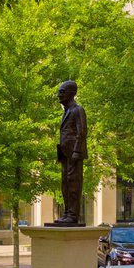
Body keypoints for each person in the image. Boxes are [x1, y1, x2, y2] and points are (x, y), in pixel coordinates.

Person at [54, 80, 87, 225]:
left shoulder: (77, 110)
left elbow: (82, 132)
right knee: (65, 184)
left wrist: (76, 151)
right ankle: (67, 212)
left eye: (62, 92)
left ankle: (73, 215)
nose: (59, 95)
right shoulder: (66, 112)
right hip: (64, 155)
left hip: (74, 155)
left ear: (71, 93)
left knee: (73, 184)